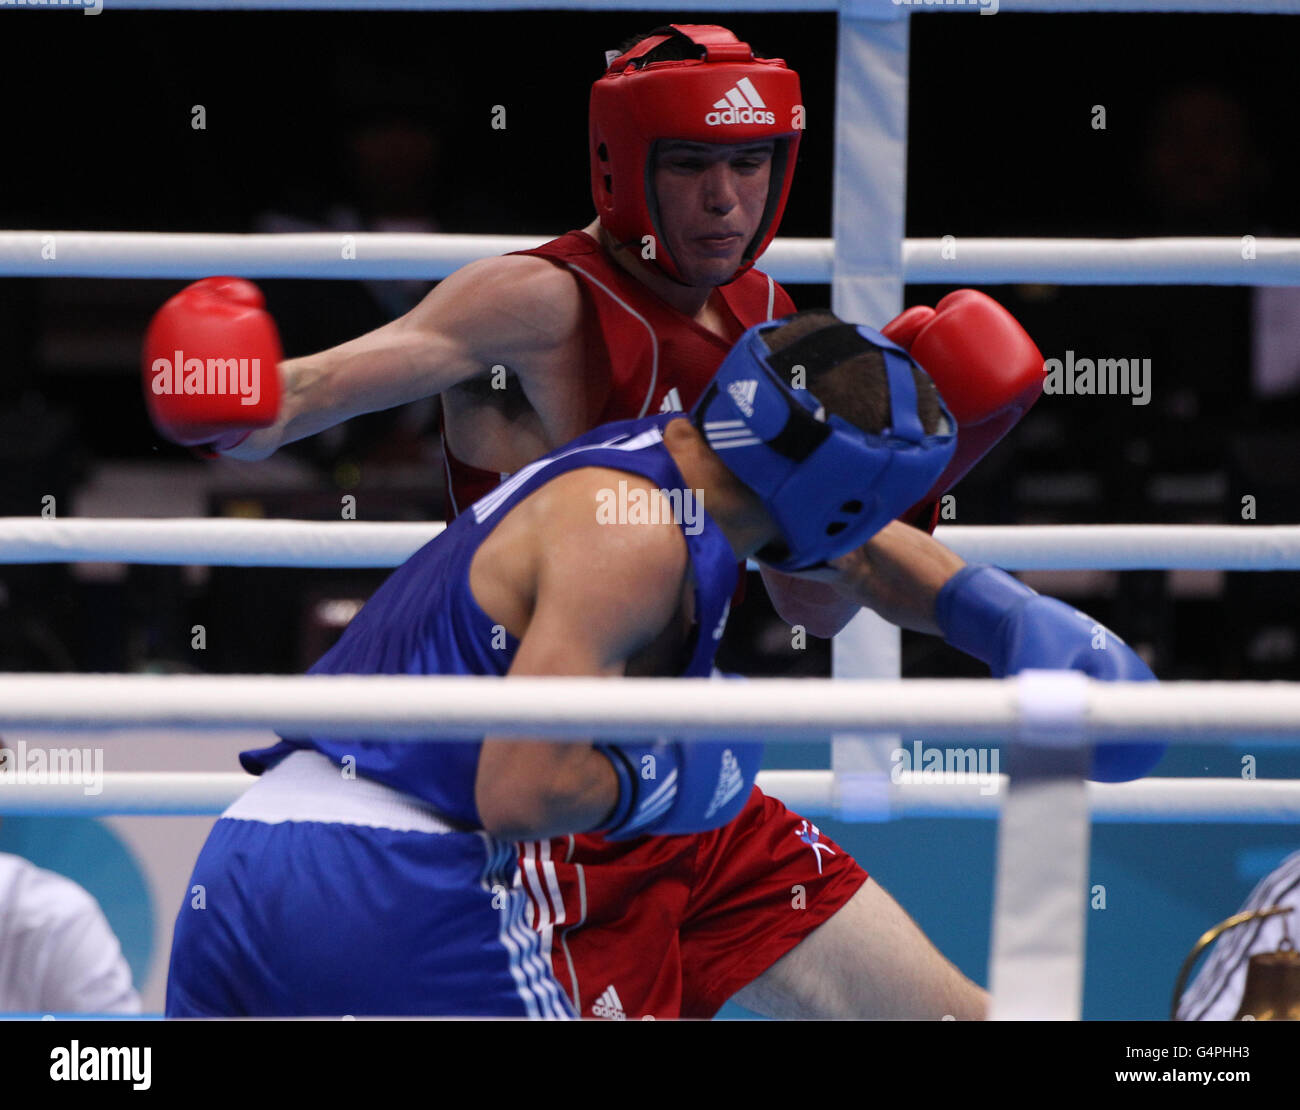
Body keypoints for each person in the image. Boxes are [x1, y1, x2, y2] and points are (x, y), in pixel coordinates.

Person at [147, 25, 1161, 1019]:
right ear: (624, 166)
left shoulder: (770, 325)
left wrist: (989, 599)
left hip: (675, 776)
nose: (726, 199)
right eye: (691, 166)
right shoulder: (539, 301)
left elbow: (809, 598)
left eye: (751, 163)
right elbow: (323, 389)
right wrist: (234, 400)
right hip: (536, 786)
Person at [164, 309, 958, 1017]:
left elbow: (859, 565)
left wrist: (1024, 628)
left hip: (259, 848)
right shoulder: (558, 326)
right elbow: (524, 789)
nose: (723, 195)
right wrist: (678, 776)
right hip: (427, 861)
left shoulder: (655, 447)